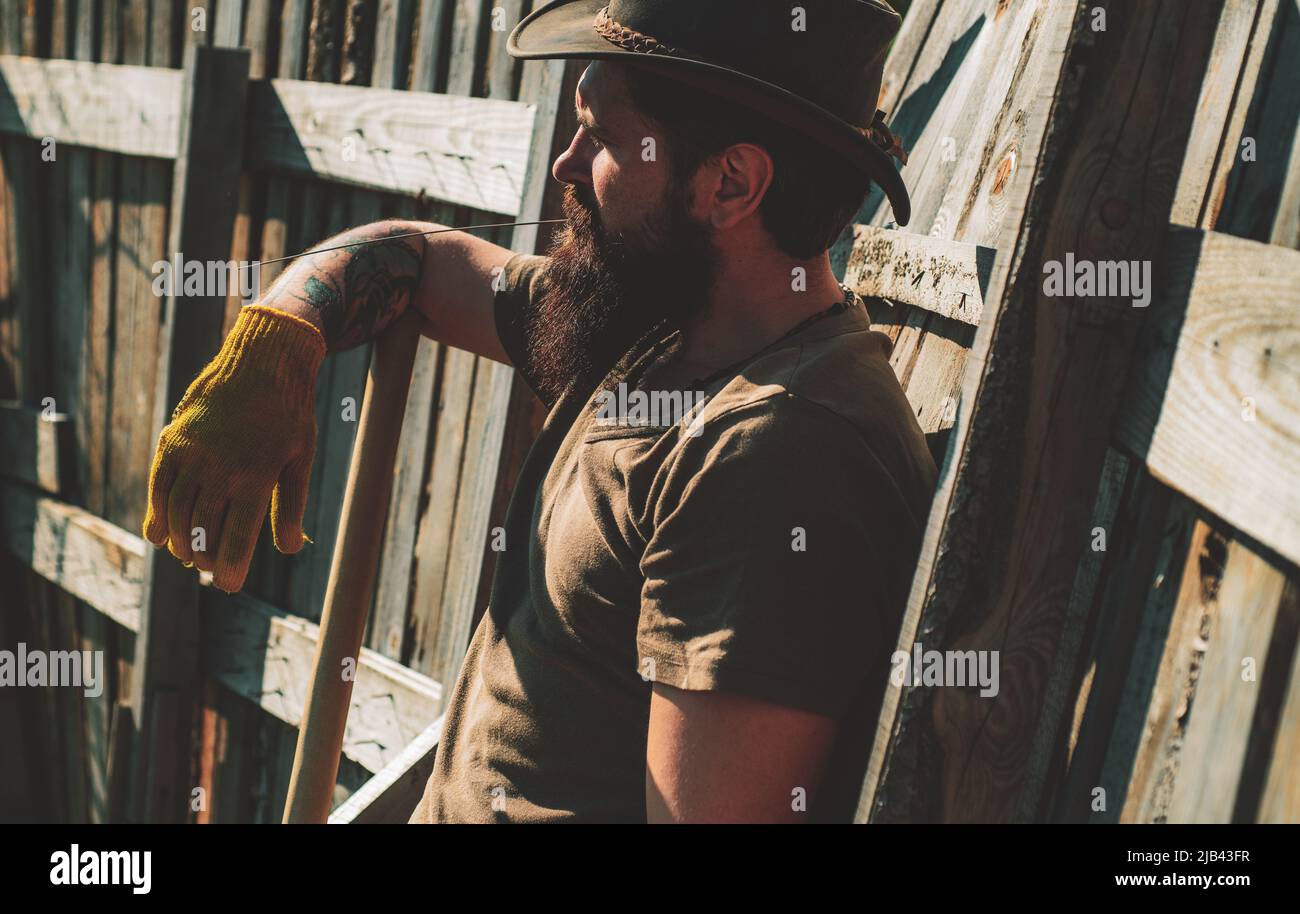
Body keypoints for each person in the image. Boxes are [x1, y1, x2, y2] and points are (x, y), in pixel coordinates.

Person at [142, 0, 937, 823]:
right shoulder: (665, 325)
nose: (565, 161)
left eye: (600, 134)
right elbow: (418, 259)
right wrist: (279, 337)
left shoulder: (776, 456)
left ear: (729, 182)